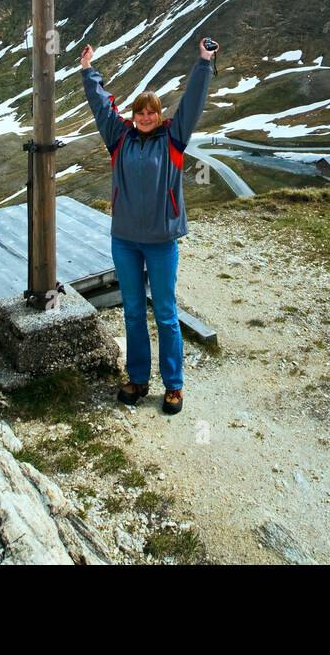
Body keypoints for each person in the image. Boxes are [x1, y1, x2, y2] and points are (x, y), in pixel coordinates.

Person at [80, 37, 217, 415]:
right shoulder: (119, 137)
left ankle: (174, 386)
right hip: (124, 240)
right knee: (134, 311)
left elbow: (192, 103)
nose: (144, 118)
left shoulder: (173, 139)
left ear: (159, 116)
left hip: (161, 241)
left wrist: (204, 62)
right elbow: (100, 107)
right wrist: (89, 72)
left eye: (151, 113)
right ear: (133, 115)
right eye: (140, 112)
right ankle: (138, 379)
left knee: (167, 313)